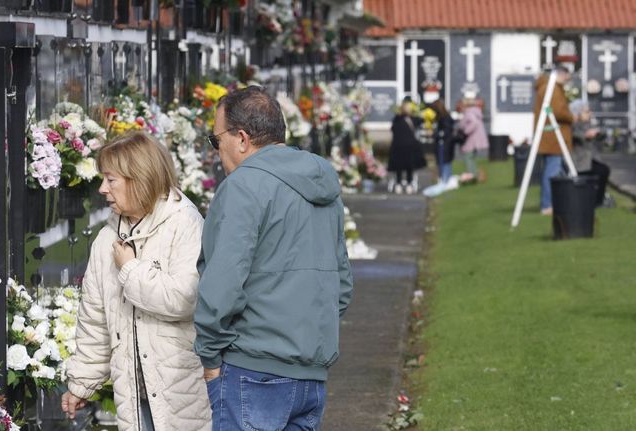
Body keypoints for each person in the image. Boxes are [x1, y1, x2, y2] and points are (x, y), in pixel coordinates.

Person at [193, 86, 353, 431]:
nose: (216, 150)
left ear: (241, 138)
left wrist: (210, 356)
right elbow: (341, 284)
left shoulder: (241, 187)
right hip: (311, 373)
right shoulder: (323, 181)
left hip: (252, 368)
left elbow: (221, 285)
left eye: (215, 139)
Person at [61, 131, 211, 430]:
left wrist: (130, 270)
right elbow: (95, 320)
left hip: (180, 394)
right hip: (132, 393)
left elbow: (184, 299)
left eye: (111, 179)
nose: (102, 189)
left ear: (139, 178)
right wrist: (81, 384)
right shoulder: (107, 240)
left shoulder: (185, 225)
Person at [533, 66, 575, 215]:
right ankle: (548, 204)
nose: (567, 81)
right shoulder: (551, 89)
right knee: (552, 170)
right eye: (567, 77)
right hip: (553, 137)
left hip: (549, 136)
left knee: (556, 169)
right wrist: (572, 117)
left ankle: (556, 201)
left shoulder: (546, 87)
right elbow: (558, 111)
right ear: (561, 74)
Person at [388, 97, 427, 194]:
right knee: (399, 167)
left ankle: (408, 183)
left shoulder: (413, 119)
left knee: (409, 166)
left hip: (409, 147)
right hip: (399, 147)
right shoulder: (397, 118)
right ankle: (398, 183)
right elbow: (393, 129)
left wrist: (417, 111)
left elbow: (422, 121)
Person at [423, 99, 458, 197]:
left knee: (444, 162)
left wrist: (436, 135)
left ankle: (445, 181)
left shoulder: (445, 118)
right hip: (443, 144)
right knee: (442, 162)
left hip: (445, 144)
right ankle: (444, 180)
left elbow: (446, 132)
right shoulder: (442, 118)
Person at [457, 96, 489, 183]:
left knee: (468, 157)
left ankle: (473, 175)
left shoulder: (469, 113)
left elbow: (473, 123)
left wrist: (465, 132)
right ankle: (475, 175)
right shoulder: (474, 112)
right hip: (474, 139)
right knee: (471, 157)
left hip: (471, 140)